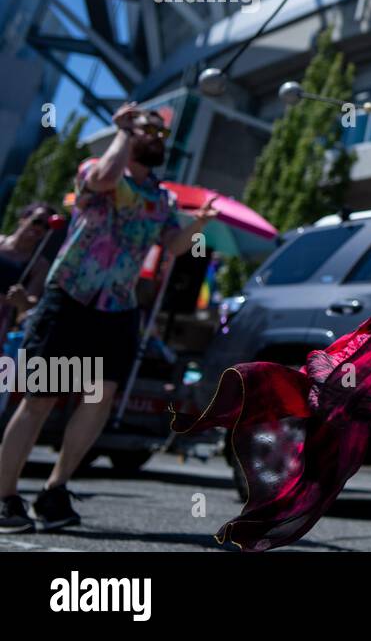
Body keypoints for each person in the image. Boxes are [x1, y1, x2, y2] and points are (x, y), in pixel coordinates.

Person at [0, 103, 215, 534]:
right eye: (149, 132)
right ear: (129, 136)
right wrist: (122, 132)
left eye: (159, 134)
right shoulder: (97, 170)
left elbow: (172, 246)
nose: (157, 139)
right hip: (72, 298)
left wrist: (199, 224)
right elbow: (101, 179)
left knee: (99, 399)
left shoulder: (162, 197)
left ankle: (54, 489)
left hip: (117, 308)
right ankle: (5, 497)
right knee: (40, 399)